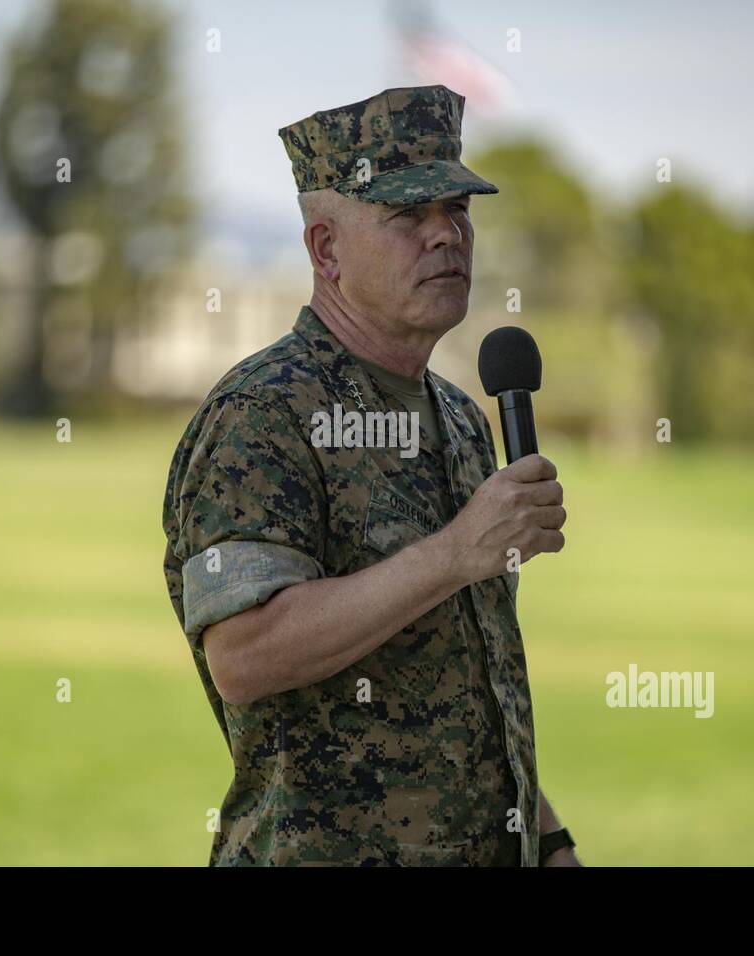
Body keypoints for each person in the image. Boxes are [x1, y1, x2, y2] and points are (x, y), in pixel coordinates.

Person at [162, 85, 577, 866]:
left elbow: (469, 684)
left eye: (457, 209)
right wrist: (455, 553)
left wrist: (550, 843)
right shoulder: (265, 413)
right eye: (406, 216)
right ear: (326, 250)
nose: (446, 235)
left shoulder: (457, 415)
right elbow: (245, 656)